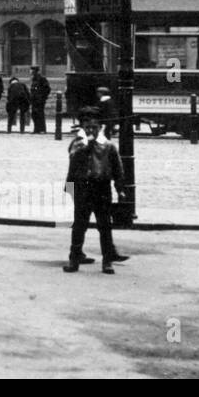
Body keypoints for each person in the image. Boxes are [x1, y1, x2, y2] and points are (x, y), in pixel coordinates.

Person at [62, 107, 129, 274]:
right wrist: (86, 145)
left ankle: (107, 261)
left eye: (94, 127)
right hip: (82, 188)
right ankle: (74, 258)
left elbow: (117, 169)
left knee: (104, 225)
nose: (91, 130)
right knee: (79, 225)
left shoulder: (108, 146)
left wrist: (120, 189)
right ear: (83, 127)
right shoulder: (78, 144)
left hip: (101, 187)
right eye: (87, 127)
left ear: (100, 127)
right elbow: (72, 161)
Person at [30, 67, 51, 134]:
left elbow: (47, 89)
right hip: (34, 100)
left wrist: (42, 97)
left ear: (35, 71)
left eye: (32, 70)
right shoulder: (34, 79)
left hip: (39, 100)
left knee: (40, 114)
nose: (30, 72)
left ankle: (42, 129)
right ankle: (36, 129)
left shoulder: (42, 79)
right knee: (34, 114)